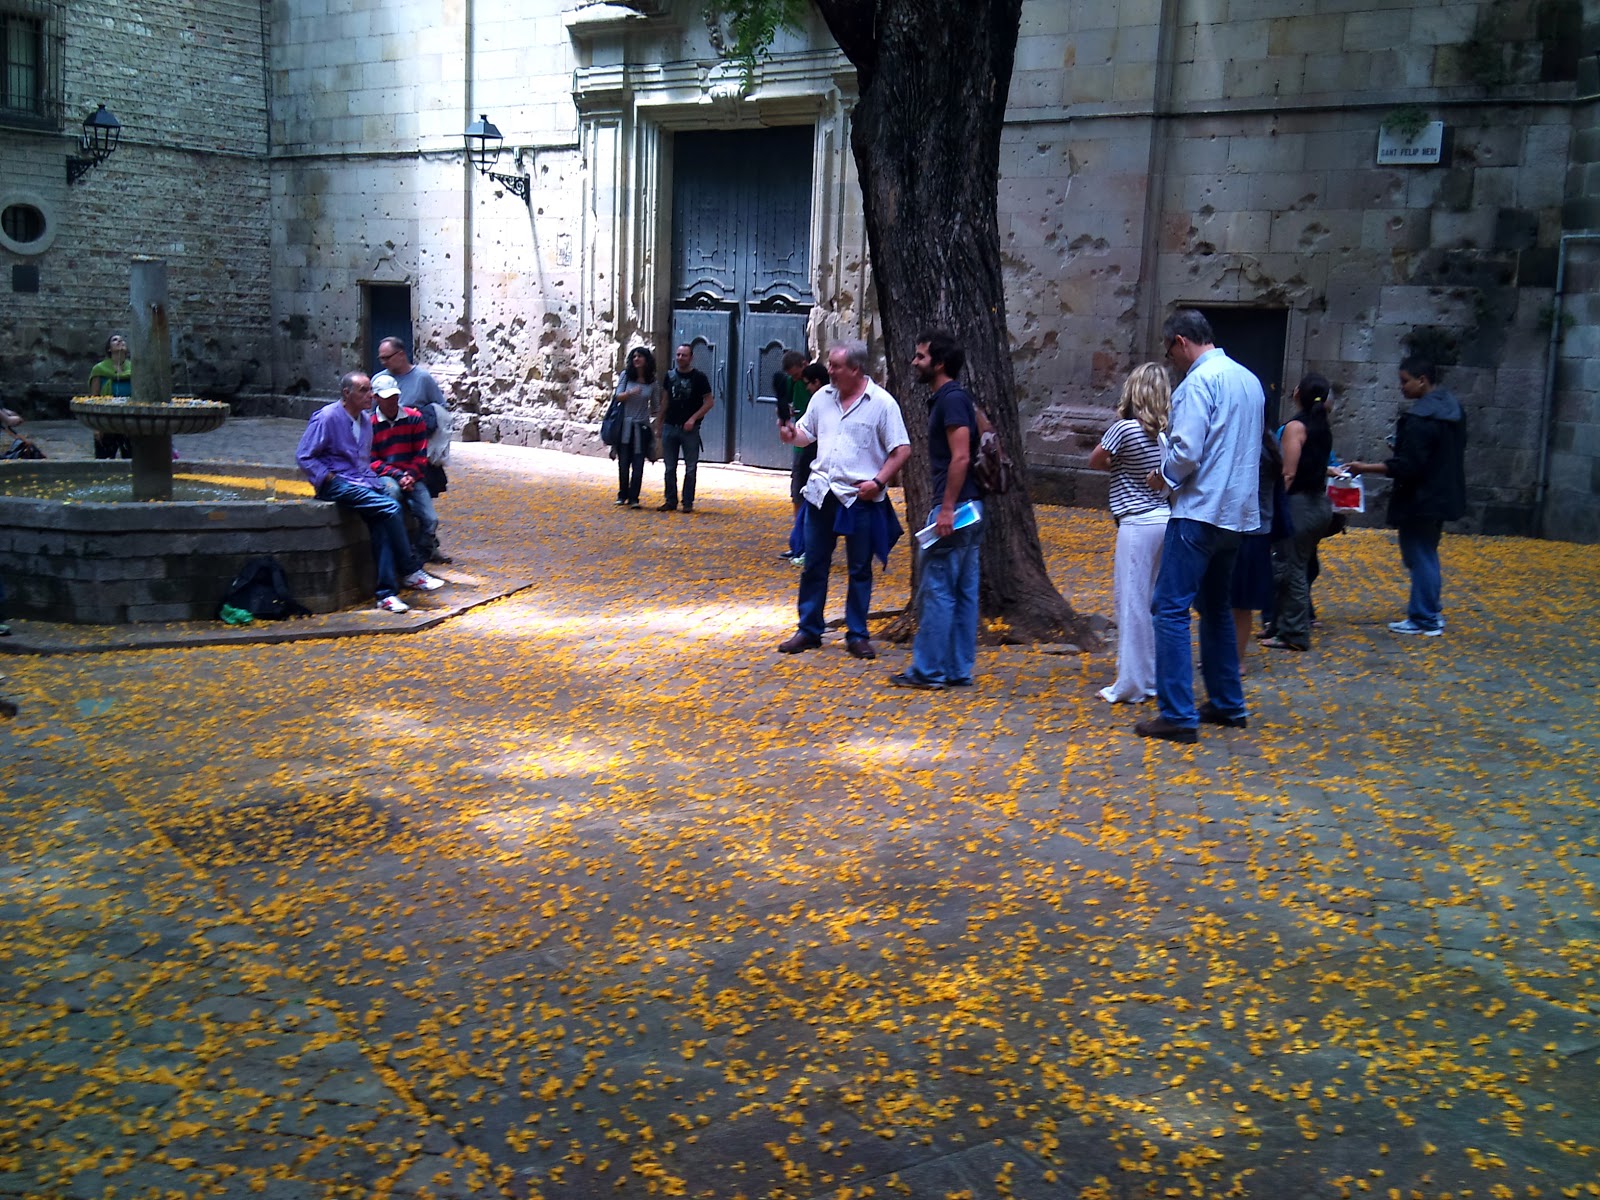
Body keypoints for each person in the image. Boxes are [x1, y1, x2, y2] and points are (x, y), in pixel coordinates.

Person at [1135, 310, 1264, 744]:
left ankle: (1177, 714)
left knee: (1168, 608)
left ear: (1180, 341)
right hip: (1237, 513)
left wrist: (1163, 477)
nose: (1170, 359)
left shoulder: (1197, 383)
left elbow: (1187, 448)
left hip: (1198, 510)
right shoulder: (1249, 380)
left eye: (1169, 350)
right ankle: (1228, 703)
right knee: (1215, 608)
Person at [777, 340, 911, 661]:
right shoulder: (821, 398)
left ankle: (857, 634)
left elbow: (901, 450)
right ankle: (808, 630)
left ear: (855, 369)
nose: (829, 371)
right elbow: (805, 434)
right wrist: (789, 434)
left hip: (860, 498)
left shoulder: (881, 403)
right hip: (822, 494)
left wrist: (878, 482)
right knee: (813, 565)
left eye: (835, 366)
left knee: (860, 569)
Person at [295, 372, 446, 613]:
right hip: (337, 483)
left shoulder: (365, 422)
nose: (369, 396)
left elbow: (364, 461)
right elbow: (304, 455)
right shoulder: (327, 417)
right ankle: (409, 568)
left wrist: (376, 481)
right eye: (363, 391)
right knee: (390, 507)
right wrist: (327, 477)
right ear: (347, 394)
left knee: (381, 522)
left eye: (369, 390)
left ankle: (386, 595)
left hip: (360, 482)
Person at [888, 331, 984, 691]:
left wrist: (945, 508)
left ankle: (928, 671)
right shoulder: (956, 399)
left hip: (956, 509)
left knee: (940, 591)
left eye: (921, 356)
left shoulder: (951, 399)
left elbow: (961, 456)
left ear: (939, 363)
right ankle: (957, 669)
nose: (915, 362)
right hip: (968, 507)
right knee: (961, 591)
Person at [1346, 356, 1468, 637]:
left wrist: (1364, 468)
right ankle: (1430, 611)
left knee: (1419, 555)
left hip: (1420, 498)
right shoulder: (1453, 411)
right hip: (1443, 493)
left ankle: (1424, 617)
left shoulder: (1419, 419)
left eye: (1405, 381)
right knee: (1427, 552)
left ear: (1422, 380)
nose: (1401, 387)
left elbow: (1407, 466)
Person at [1087, 362, 1171, 704]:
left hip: (1135, 523)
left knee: (1131, 603)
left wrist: (1117, 465)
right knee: (1151, 603)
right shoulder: (1166, 433)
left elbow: (1096, 460)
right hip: (1164, 518)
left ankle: (1131, 683)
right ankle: (1150, 676)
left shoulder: (1123, 429)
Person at [1262, 374, 1334, 651]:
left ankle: (1293, 633)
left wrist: (1274, 504)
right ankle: (1279, 626)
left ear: (1298, 395)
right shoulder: (1322, 427)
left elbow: (1288, 473)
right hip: (1318, 504)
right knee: (1291, 566)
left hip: (1299, 506)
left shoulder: (1295, 427)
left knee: (1292, 569)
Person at [369, 372, 443, 566]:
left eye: (395, 397)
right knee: (392, 495)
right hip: (388, 474)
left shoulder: (414, 418)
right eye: (387, 398)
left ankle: (421, 553)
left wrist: (410, 475)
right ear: (376, 399)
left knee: (431, 519)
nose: (392, 401)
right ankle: (402, 551)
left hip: (412, 475)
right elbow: (372, 460)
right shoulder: (371, 424)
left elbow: (420, 453)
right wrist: (398, 475)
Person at [781, 362, 829, 565]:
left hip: (813, 455)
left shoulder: (823, 398)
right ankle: (800, 544)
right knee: (801, 497)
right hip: (806, 448)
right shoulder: (815, 397)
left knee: (810, 502)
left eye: (807, 382)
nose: (805, 386)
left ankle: (806, 547)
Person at [658, 344, 714, 512]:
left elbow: (709, 402)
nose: (680, 358)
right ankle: (670, 500)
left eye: (684, 355)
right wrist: (659, 423)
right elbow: (665, 401)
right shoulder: (669, 376)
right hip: (670, 426)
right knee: (669, 467)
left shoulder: (699, 378)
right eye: (678, 354)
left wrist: (693, 418)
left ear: (691, 357)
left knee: (690, 468)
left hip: (690, 430)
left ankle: (687, 502)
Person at [613, 347, 662, 509]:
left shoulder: (652, 382)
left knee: (639, 463)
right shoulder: (626, 376)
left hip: (642, 427)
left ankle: (634, 497)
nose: (636, 359)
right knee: (624, 462)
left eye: (640, 356)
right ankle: (622, 494)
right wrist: (631, 393)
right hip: (625, 425)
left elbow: (655, 406)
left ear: (646, 360)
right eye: (634, 356)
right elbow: (618, 396)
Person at [375, 337, 444, 440]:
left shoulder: (422, 378)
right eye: (381, 358)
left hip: (415, 436)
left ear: (401, 355)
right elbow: (370, 411)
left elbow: (440, 409)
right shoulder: (378, 380)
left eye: (387, 358)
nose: (383, 362)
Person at [87, 334, 133, 459]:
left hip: (130, 423)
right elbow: (94, 399)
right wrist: (96, 427)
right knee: (104, 461)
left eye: (122, 339)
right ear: (109, 349)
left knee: (132, 461)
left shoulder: (135, 369)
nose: (120, 341)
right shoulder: (99, 369)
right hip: (106, 422)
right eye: (115, 340)